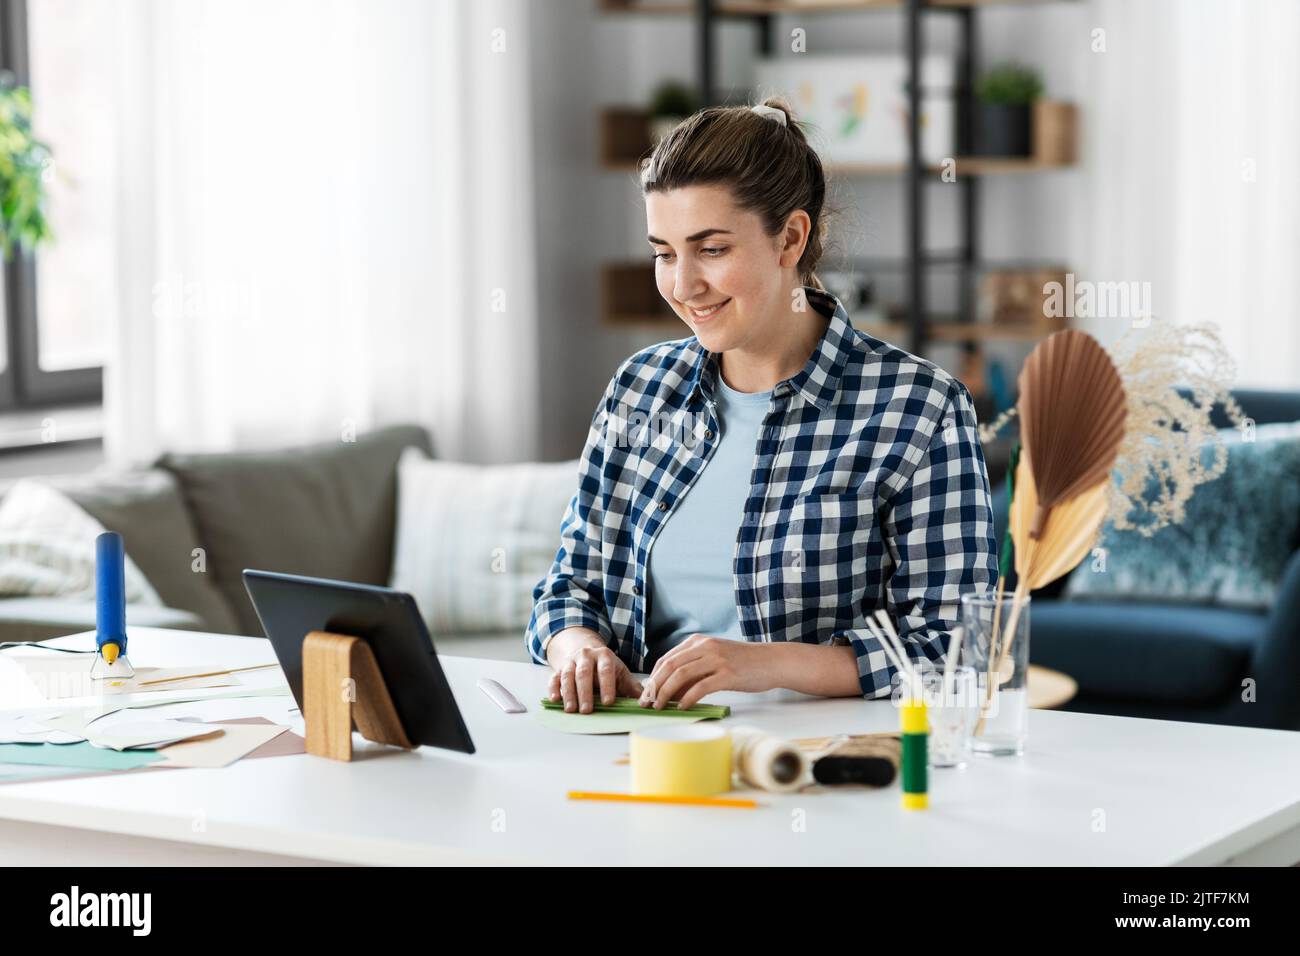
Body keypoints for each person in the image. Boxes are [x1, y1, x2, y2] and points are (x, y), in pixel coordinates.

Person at [526, 97, 998, 714]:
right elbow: (570, 585)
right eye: (664, 253)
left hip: (815, 764)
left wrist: (762, 662)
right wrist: (575, 645)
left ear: (791, 238)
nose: (683, 285)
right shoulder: (641, 388)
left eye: (712, 249)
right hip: (644, 752)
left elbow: (959, 649)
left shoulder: (918, 407)